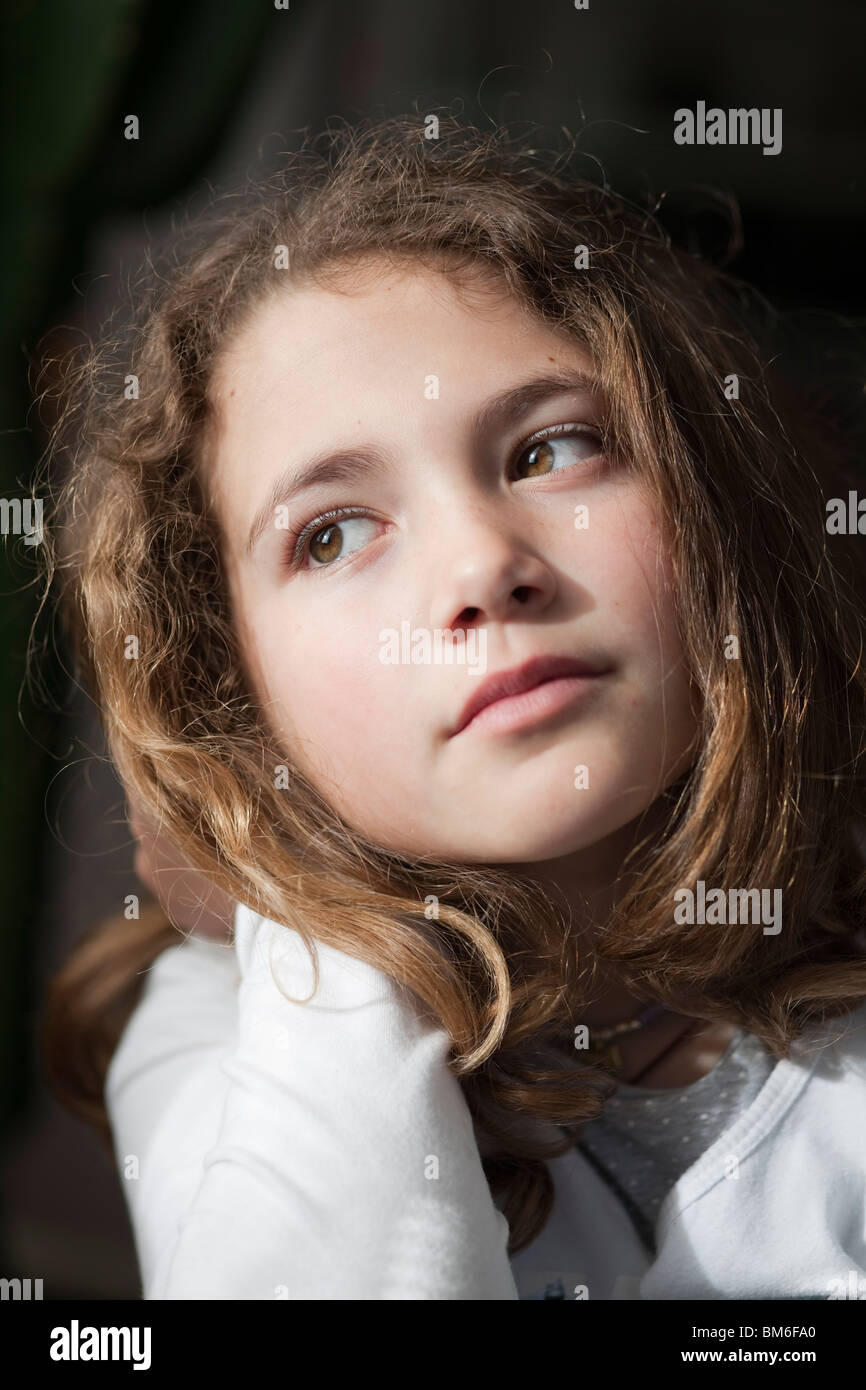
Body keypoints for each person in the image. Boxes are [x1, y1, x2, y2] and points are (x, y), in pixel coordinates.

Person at [38, 113, 866, 1299]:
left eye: (551, 450)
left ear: (711, 503)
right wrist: (289, 873)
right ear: (228, 687)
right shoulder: (209, 1042)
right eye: (330, 535)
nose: (481, 566)